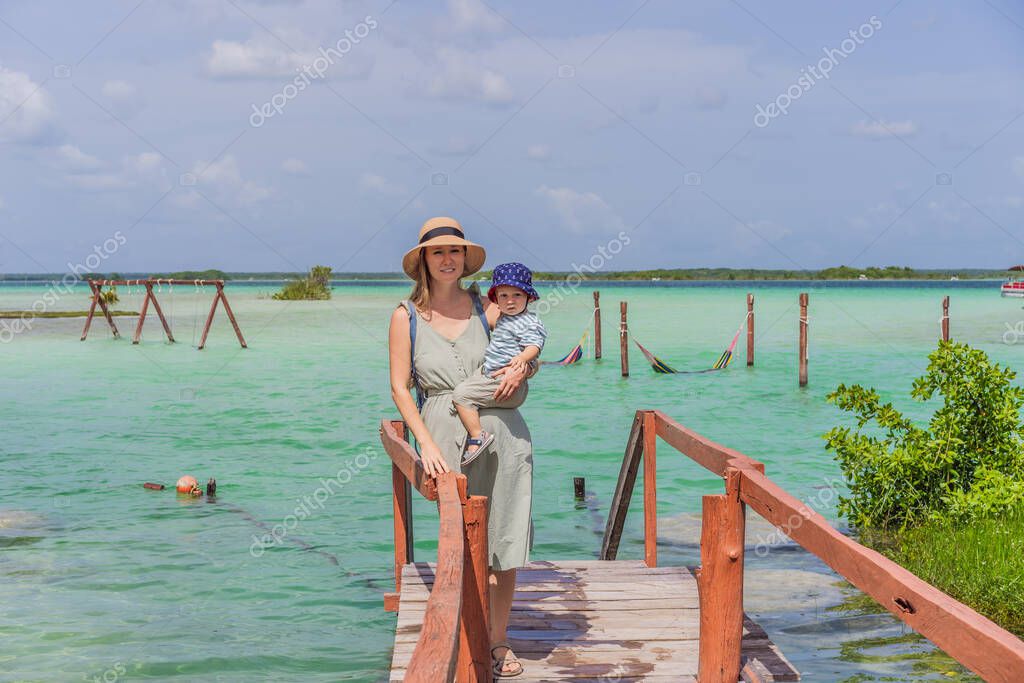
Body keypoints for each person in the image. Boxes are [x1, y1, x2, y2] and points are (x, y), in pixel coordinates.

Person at [388, 216, 535, 678]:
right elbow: (399, 389)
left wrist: (525, 370)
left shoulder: (486, 307)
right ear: (424, 262)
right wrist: (425, 445)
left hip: (505, 434)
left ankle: (497, 642)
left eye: (455, 251)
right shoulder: (405, 316)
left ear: (465, 260)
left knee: (506, 541)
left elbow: (525, 345)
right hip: (444, 437)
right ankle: (467, 632)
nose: (448, 259)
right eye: (438, 252)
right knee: (464, 540)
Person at [452, 262, 546, 466]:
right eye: (504, 296)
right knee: (467, 387)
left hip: (505, 382)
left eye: (517, 296)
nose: (510, 301)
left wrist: (523, 362)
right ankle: (466, 410)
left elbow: (535, 346)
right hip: (491, 374)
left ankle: (478, 435)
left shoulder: (528, 321)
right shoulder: (503, 318)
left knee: (460, 394)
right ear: (496, 299)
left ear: (529, 297)